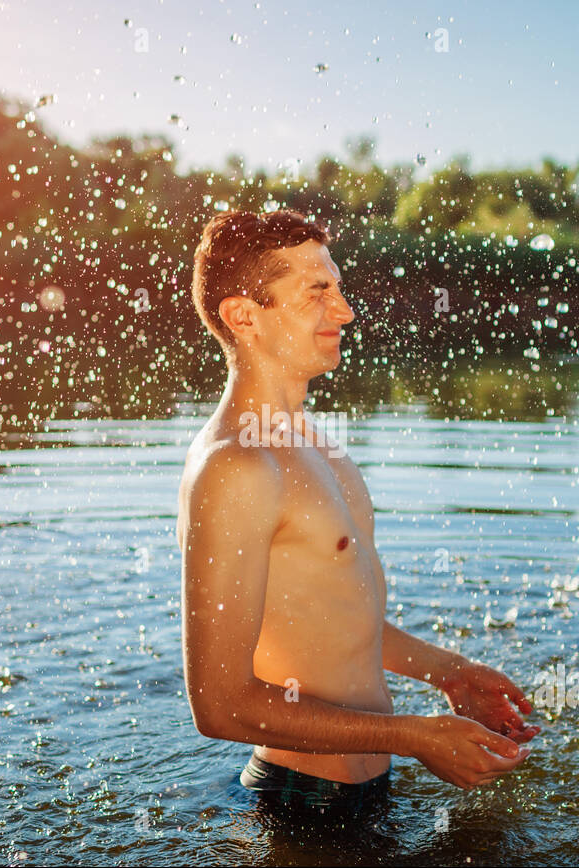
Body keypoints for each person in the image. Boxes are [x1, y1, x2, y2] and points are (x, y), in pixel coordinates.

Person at [177, 209, 540, 817]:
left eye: (339, 288)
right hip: (303, 807)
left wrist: (447, 673)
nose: (344, 311)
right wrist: (415, 737)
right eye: (317, 292)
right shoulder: (236, 467)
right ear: (245, 316)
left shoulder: (314, 443)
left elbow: (334, 618)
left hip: (362, 794)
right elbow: (219, 705)